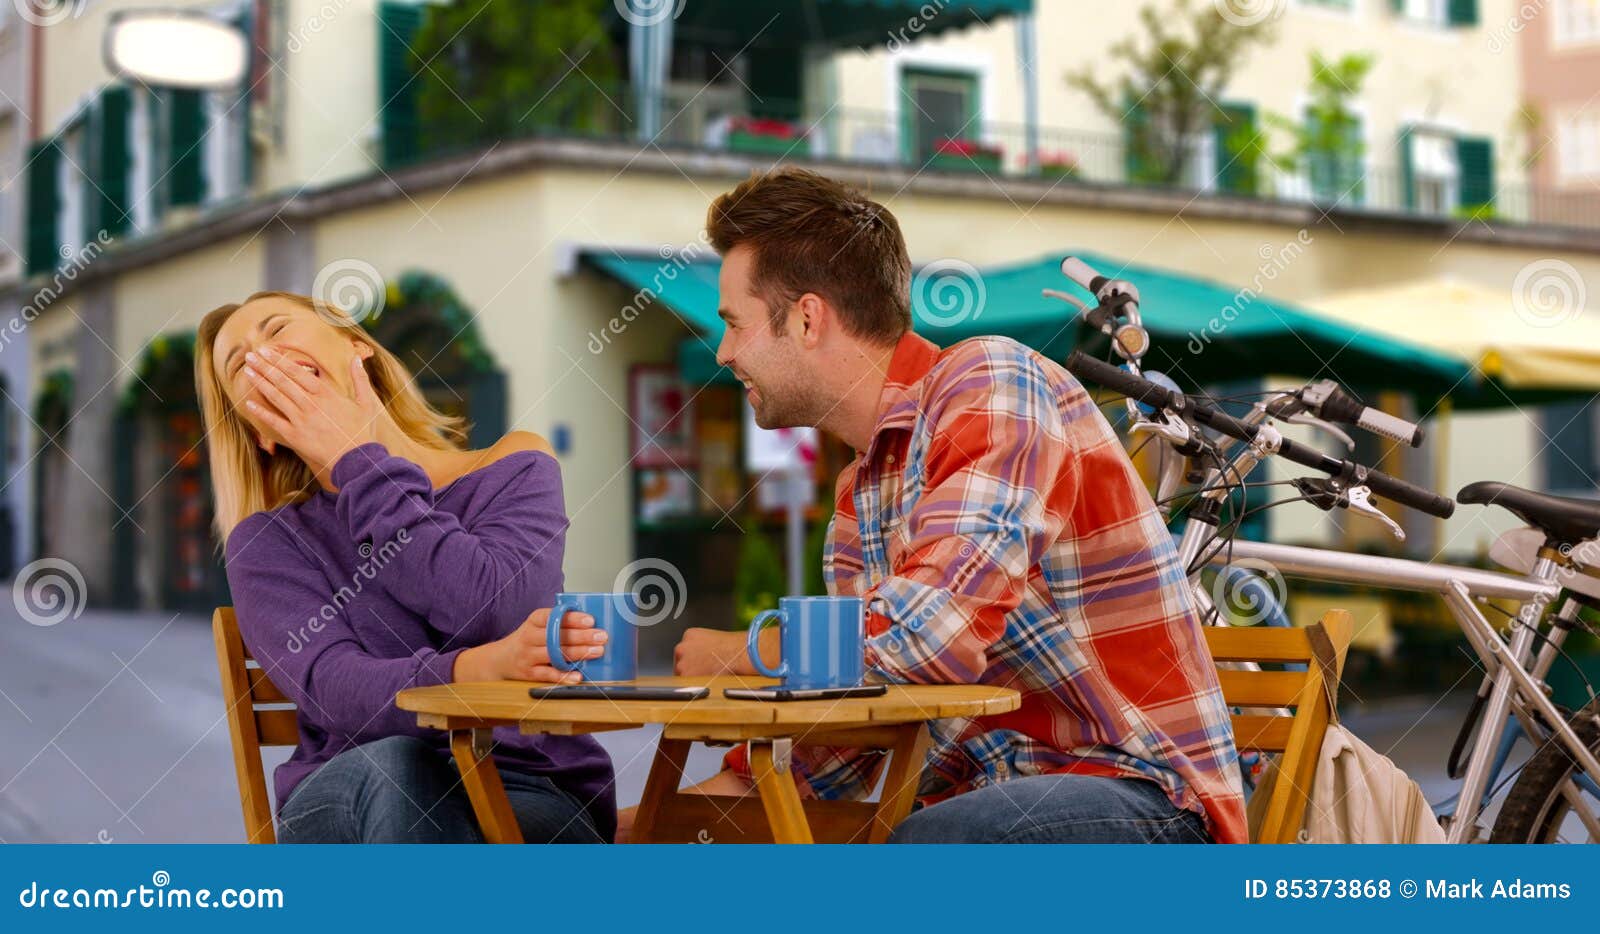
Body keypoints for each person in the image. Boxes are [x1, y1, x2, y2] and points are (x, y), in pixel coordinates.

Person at [661, 167, 1248, 843]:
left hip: (1146, 800)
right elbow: (850, 733)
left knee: (922, 848)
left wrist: (750, 654)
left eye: (733, 323)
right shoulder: (862, 492)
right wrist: (660, 827)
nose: (726, 351)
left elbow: (929, 639)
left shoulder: (992, 382)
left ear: (807, 317)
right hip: (987, 805)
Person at [198, 291, 615, 843]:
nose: (262, 358)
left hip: (522, 782)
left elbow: (495, 610)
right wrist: (475, 670)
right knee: (398, 769)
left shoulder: (513, 467)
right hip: (352, 787)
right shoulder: (268, 542)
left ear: (356, 348)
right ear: (262, 433)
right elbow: (336, 689)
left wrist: (359, 463)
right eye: (239, 364)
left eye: (276, 330)